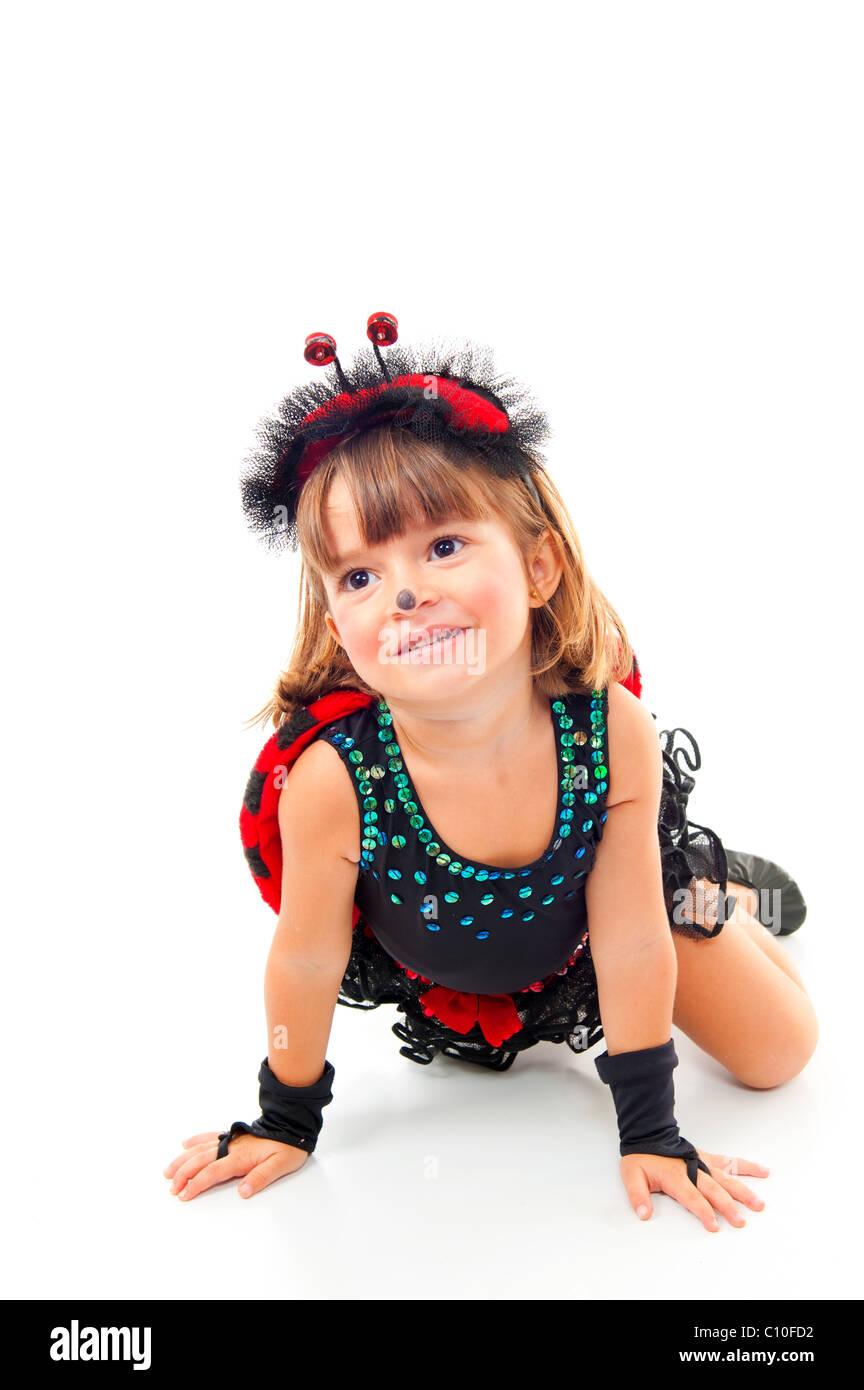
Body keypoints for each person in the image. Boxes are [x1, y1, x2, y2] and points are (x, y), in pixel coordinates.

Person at [163, 313, 818, 1230]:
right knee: (482, 1061)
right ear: (334, 626)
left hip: (600, 932)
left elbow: (628, 943)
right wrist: (284, 1119)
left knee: (778, 1054)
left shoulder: (608, 732)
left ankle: (718, 897)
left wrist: (650, 1130)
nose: (403, 593)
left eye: (441, 547)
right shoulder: (335, 779)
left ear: (539, 564)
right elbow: (307, 954)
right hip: (465, 973)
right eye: (357, 577)